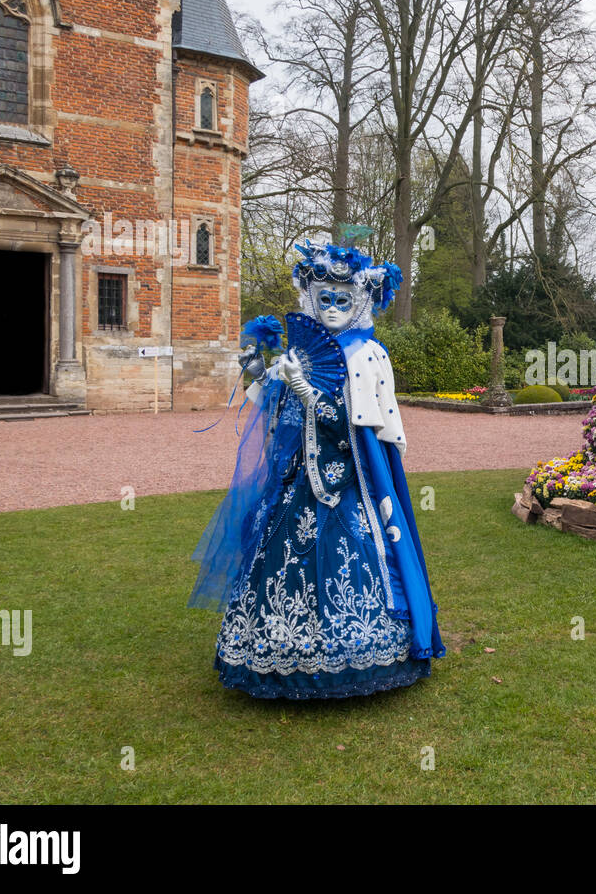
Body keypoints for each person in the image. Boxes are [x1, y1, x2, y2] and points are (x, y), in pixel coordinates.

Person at [189, 241, 444, 698]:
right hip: (298, 481)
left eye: (341, 300)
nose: (331, 308)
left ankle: (355, 658)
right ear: (310, 297)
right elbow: (279, 417)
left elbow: (356, 435)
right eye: (323, 298)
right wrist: (265, 375)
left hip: (348, 486)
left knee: (353, 558)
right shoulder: (303, 351)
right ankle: (279, 654)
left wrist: (314, 398)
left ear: (361, 301)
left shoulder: (367, 356)